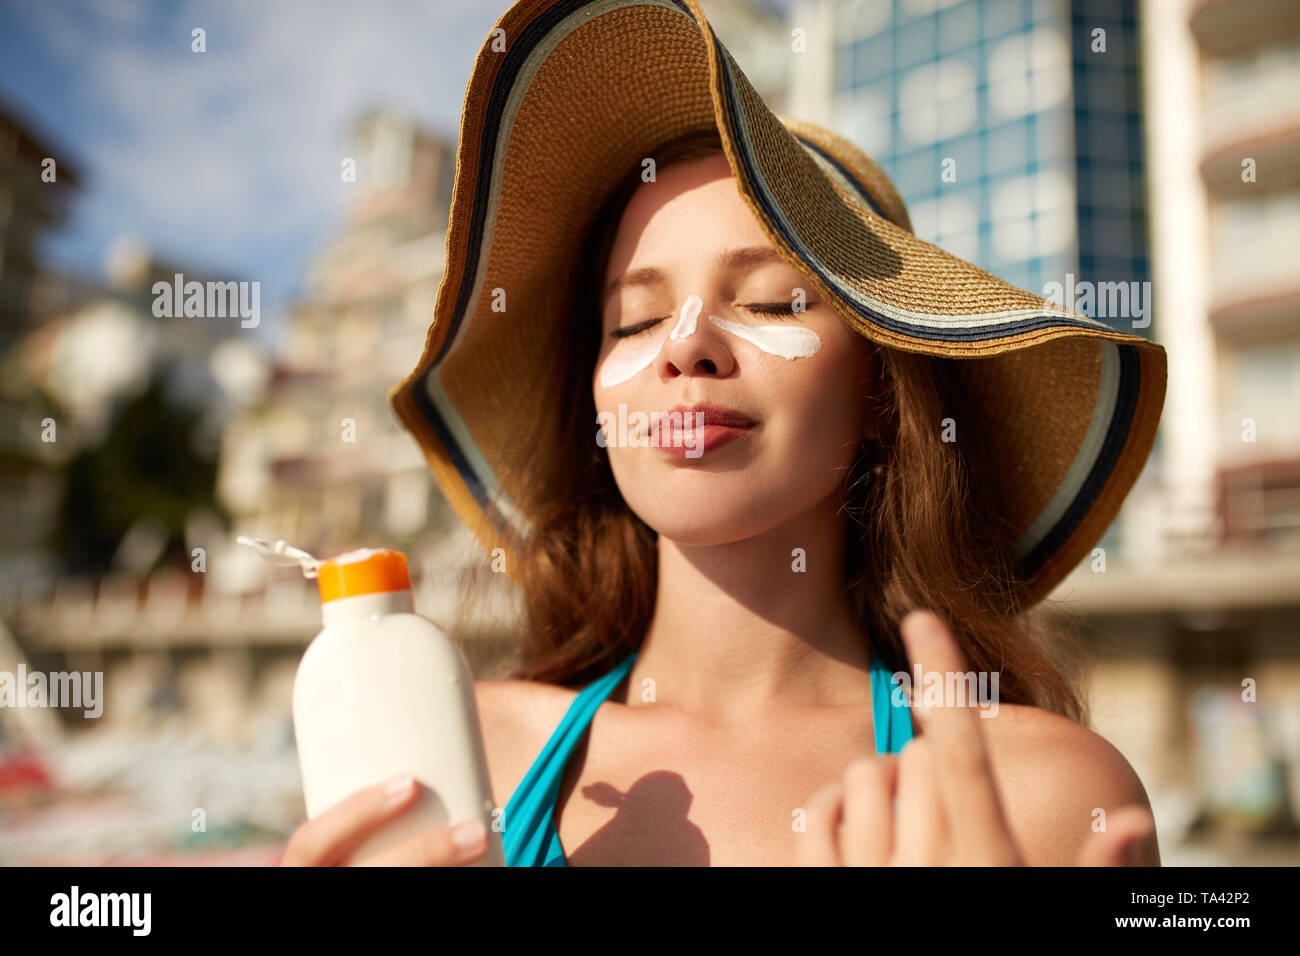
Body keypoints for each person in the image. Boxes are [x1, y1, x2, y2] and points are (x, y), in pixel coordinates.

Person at [281, 0, 1166, 866]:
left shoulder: (1046, 798)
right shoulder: (455, 761)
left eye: (773, 301)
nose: (686, 345)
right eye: (633, 320)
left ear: (879, 398)